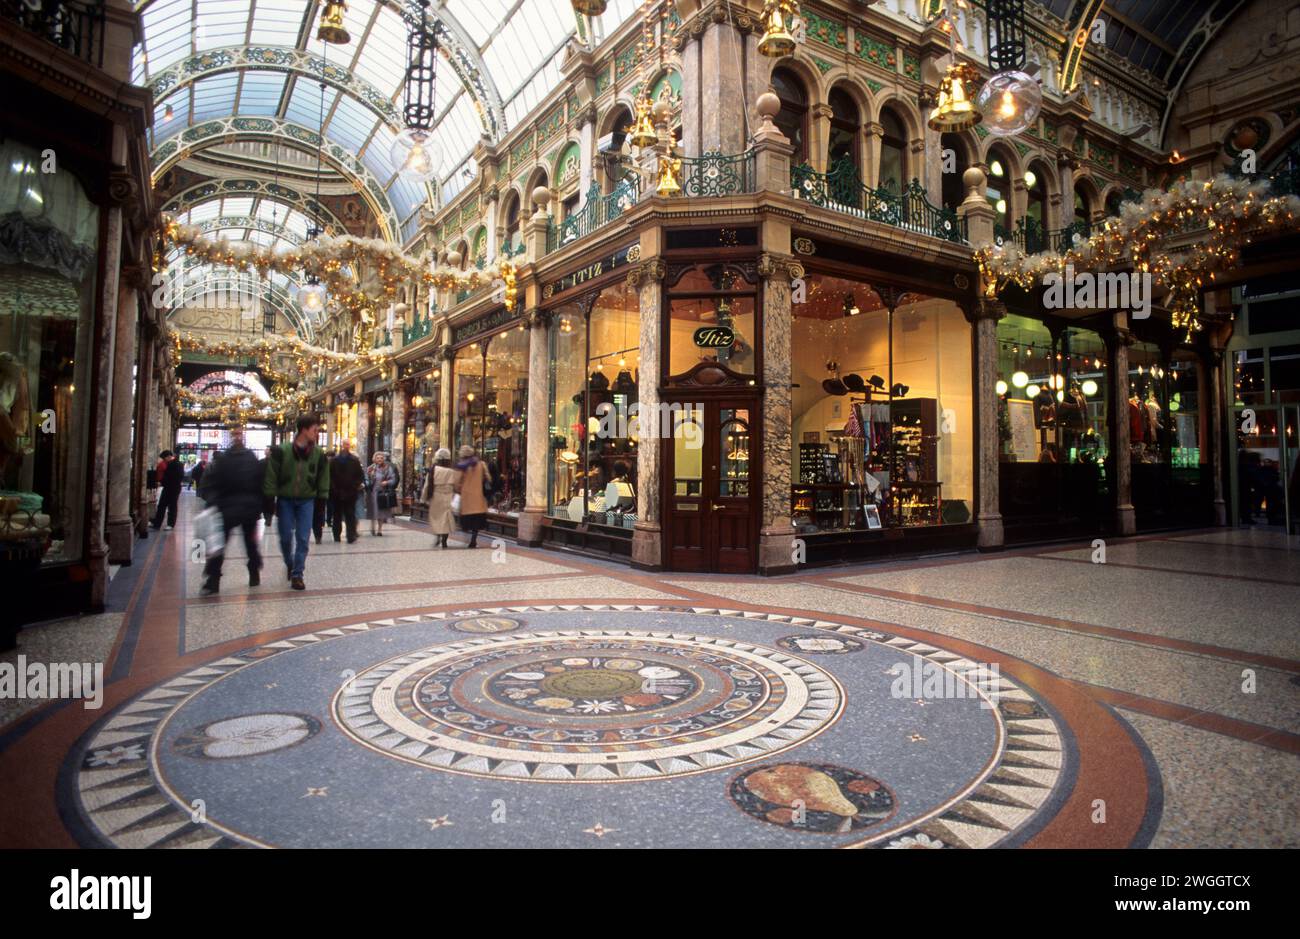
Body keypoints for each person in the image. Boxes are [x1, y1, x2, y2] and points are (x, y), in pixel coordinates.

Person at [263, 414, 330, 590]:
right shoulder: (282, 451)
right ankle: (290, 562)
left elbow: (323, 477)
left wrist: (322, 500)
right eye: (315, 430)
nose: (317, 434)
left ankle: (297, 574)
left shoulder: (318, 454)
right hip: (285, 499)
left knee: (302, 538)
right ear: (304, 430)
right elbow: (271, 475)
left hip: (307, 501)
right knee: (285, 537)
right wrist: (270, 498)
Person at [197, 427, 263, 596]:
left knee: (220, 545)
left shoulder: (226, 459)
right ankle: (253, 570)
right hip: (244, 508)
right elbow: (260, 483)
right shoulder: (250, 458)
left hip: (229, 508)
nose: (237, 437)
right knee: (250, 544)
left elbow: (213, 483)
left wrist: (213, 502)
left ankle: (213, 580)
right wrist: (259, 506)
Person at [421, 447, 458, 548]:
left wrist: (423, 499)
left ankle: (437, 537)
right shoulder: (451, 471)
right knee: (446, 519)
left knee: (437, 518)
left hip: (436, 497)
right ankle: (444, 540)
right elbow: (456, 485)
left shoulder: (433, 470)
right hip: (448, 496)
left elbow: (427, 485)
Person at [454, 445, 489, 548]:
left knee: (466, 522)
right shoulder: (481, 464)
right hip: (478, 498)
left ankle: (468, 540)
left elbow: (456, 482)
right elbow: (488, 478)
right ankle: (473, 539)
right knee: (476, 522)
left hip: (466, 499)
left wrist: (459, 489)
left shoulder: (461, 467)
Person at [330, 441, 364, 543]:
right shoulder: (334, 460)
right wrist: (334, 488)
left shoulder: (354, 460)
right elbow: (330, 476)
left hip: (350, 492)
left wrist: (355, 486)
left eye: (347, 444)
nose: (346, 446)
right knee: (337, 515)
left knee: (350, 515)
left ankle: (350, 535)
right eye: (344, 444)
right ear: (341, 446)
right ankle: (336, 535)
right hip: (337, 492)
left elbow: (360, 475)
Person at [366, 451, 399, 536]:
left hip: (382, 493)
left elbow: (393, 479)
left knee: (381, 511)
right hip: (372, 492)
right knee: (373, 511)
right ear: (375, 459)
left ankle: (379, 529)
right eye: (378, 458)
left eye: (381, 458)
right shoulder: (371, 468)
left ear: (384, 459)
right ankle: (373, 525)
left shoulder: (388, 468)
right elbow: (366, 479)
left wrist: (387, 482)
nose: (380, 459)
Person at [150, 450, 184, 530]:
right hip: (170, 488)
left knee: (171, 506)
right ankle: (157, 523)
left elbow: (173, 477)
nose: (163, 460)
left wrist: (162, 482)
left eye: (164, 458)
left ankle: (169, 524)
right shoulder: (173, 463)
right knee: (163, 505)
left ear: (168, 457)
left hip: (173, 488)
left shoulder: (175, 464)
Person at [260, 446, 276, 528]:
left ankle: (268, 518)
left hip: (269, 487)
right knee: (267, 503)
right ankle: (268, 518)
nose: (267, 452)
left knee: (268, 504)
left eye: (268, 450)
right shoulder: (262, 462)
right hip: (265, 486)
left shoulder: (273, 463)